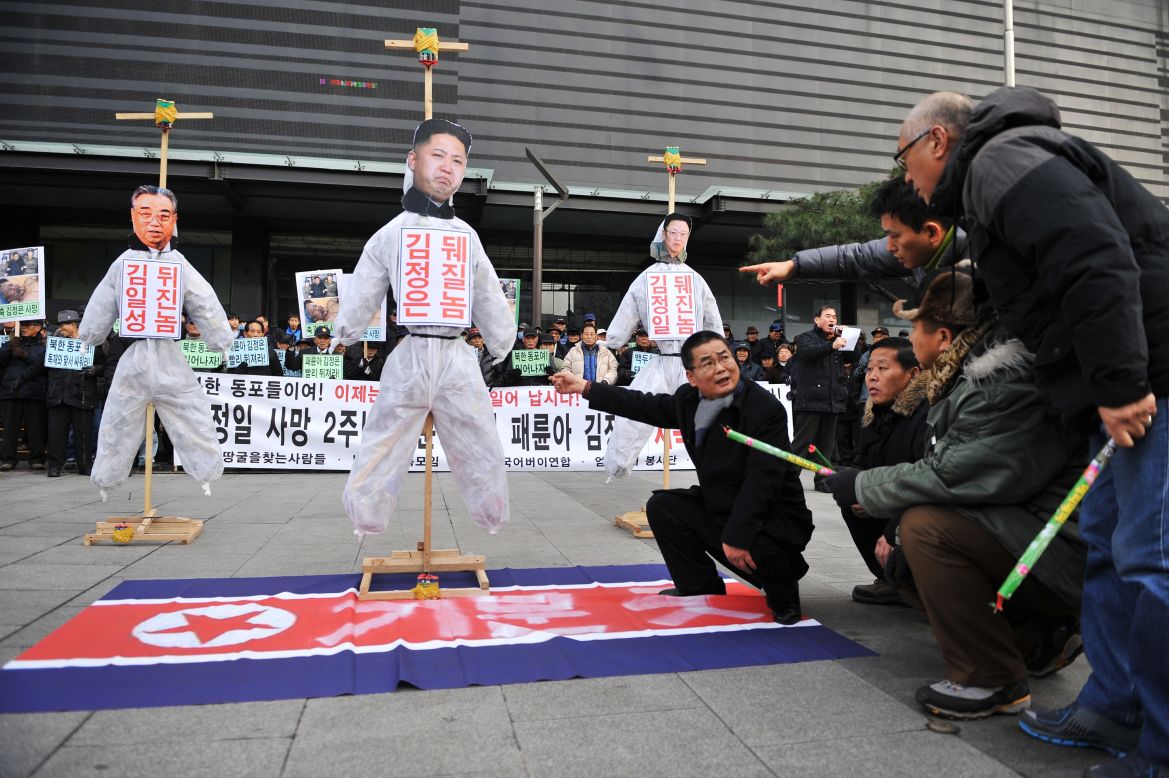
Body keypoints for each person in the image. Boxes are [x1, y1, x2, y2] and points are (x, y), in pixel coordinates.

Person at [897, 87, 1169, 772]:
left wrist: (1120, 383)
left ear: (935, 141)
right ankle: (1112, 706)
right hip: (1109, 382)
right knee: (1106, 548)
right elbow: (894, 255)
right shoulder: (985, 189)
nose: (905, 180)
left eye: (903, 161)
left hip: (1146, 372)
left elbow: (1093, 258)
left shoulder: (1001, 160)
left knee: (1148, 558)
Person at [826, 270, 1086, 720]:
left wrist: (863, 487)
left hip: (1065, 551)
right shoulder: (967, 378)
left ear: (943, 337)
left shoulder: (997, 384)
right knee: (911, 543)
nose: (910, 340)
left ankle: (989, 676)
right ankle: (1034, 641)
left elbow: (955, 475)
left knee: (923, 531)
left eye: (916, 330)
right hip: (1032, 532)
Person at [550, 330, 813, 624]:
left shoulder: (764, 409)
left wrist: (739, 536)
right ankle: (699, 585)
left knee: (762, 547)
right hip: (722, 507)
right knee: (664, 507)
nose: (721, 368)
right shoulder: (689, 400)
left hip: (771, 517)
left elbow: (763, 482)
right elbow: (645, 404)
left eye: (724, 358)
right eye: (707, 363)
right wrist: (585, 387)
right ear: (691, 376)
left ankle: (784, 588)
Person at [332, 118, 514, 537]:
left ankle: (491, 513)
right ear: (413, 160)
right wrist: (346, 331)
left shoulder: (465, 235)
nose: (447, 168)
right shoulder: (391, 234)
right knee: (384, 441)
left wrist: (502, 339)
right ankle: (366, 515)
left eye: (458, 161)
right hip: (410, 353)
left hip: (456, 354)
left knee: (480, 441)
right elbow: (364, 289)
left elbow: (486, 289)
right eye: (438, 156)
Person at [78, 185, 235, 498]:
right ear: (133, 217)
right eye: (145, 214)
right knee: (119, 418)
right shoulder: (123, 264)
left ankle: (206, 470)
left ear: (174, 219)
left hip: (168, 354)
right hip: (134, 354)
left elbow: (204, 301)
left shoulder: (179, 263)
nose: (154, 222)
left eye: (163, 215)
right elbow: (101, 304)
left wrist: (220, 339)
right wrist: (89, 336)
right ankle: (107, 478)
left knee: (191, 413)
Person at [601, 213, 724, 479]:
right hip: (661, 359)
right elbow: (628, 309)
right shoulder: (647, 278)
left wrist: (718, 350)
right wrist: (613, 340)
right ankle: (618, 464)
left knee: (704, 418)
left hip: (690, 362)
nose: (677, 238)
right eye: (673, 233)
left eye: (683, 234)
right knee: (634, 410)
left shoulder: (695, 279)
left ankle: (716, 474)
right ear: (663, 234)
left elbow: (712, 318)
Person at [740, 175, 964, 287]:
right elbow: (856, 257)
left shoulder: (985, 267)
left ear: (932, 233)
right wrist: (793, 265)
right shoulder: (925, 251)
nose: (889, 246)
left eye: (896, 236)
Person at [839, 336, 927, 605]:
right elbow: (863, 463)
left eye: (883, 368)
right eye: (869, 369)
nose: (872, 377)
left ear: (913, 374)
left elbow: (927, 483)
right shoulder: (873, 414)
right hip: (892, 502)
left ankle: (923, 585)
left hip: (919, 509)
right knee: (849, 493)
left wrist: (892, 531)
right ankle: (892, 580)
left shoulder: (928, 415)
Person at [791, 305, 847, 491]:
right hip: (811, 400)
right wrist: (832, 345)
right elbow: (807, 353)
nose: (832, 319)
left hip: (832, 401)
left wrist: (847, 340)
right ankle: (788, 479)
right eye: (828, 316)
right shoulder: (807, 338)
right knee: (802, 443)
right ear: (817, 320)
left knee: (826, 446)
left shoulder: (838, 341)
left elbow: (852, 359)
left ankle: (822, 481)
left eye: (834, 317)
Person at [0, 319, 47, 471]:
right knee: (10, 428)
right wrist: (8, 348)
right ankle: (8, 459)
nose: (25, 328)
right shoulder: (12, 342)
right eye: (23, 325)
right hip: (10, 391)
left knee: (35, 427)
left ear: (38, 327)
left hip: (33, 392)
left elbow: (42, 365)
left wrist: (24, 355)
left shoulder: (42, 346)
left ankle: (37, 458)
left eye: (29, 325)